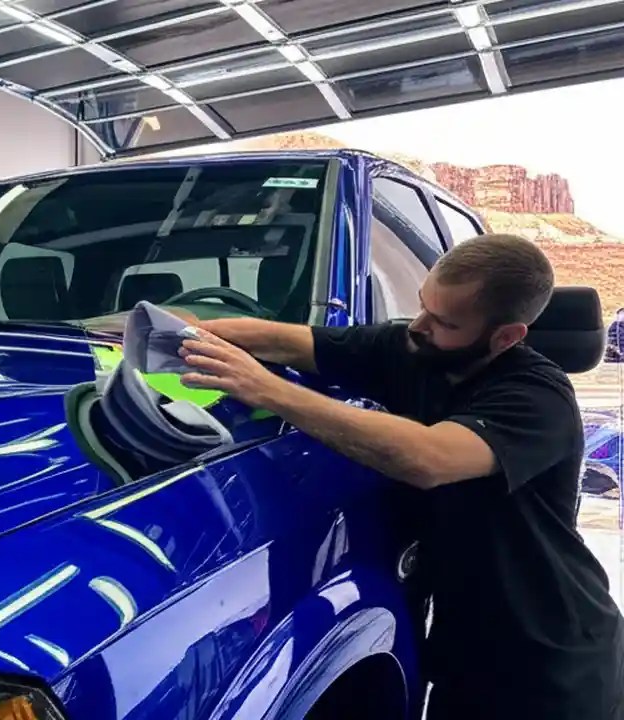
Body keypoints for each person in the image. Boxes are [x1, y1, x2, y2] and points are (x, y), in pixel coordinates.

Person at [178, 233, 624, 719]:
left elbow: (427, 459)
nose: (419, 326)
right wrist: (194, 332)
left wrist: (265, 389)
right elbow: (290, 339)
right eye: (422, 306)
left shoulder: (536, 397)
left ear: (506, 337)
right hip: (463, 652)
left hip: (550, 660)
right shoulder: (414, 349)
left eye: (444, 322)